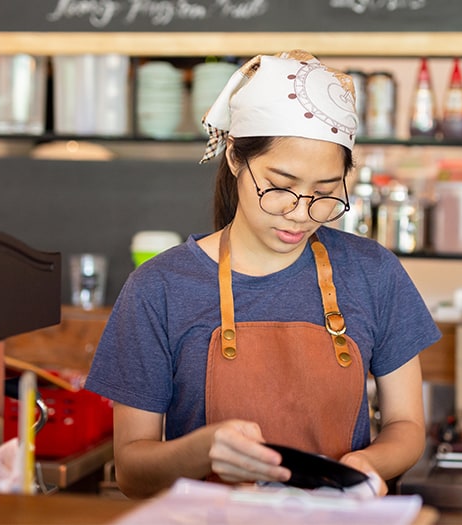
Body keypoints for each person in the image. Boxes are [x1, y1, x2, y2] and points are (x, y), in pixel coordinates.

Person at [84, 50, 441, 499]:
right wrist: (203, 450)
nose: (299, 215)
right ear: (234, 156)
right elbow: (132, 471)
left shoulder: (374, 273)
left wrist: (365, 465)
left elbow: (406, 426)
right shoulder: (159, 288)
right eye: (281, 186)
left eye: (325, 194)